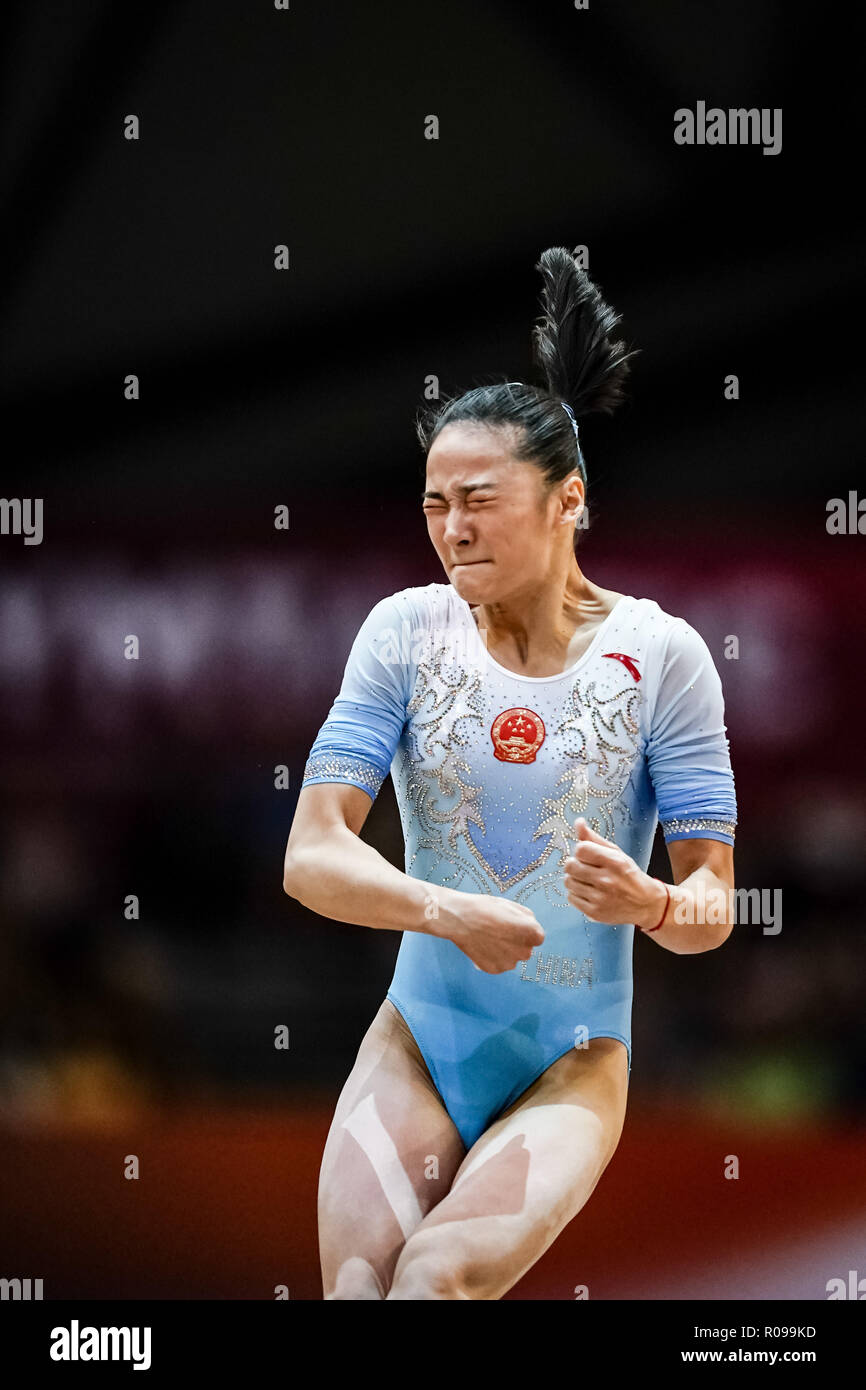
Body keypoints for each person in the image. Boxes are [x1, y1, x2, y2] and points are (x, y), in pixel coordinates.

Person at [282, 246, 737, 1300]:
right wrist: (450, 912)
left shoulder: (659, 657)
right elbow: (310, 856)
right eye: (434, 503)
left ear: (566, 499)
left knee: (437, 1273)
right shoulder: (404, 633)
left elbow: (712, 905)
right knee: (358, 1292)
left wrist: (654, 897)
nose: (451, 528)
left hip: (570, 1060)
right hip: (418, 1035)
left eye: (477, 499)